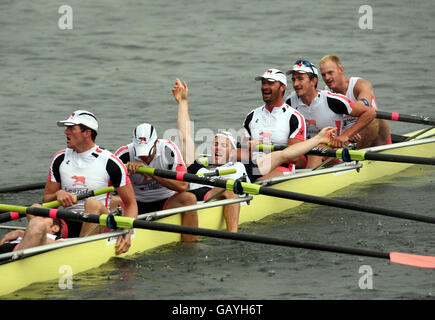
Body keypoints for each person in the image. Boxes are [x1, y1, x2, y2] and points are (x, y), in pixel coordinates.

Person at [172, 78, 336, 232]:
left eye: (223, 145)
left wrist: (317, 139)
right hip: (193, 200)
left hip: (218, 196)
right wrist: (183, 102)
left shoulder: (246, 167)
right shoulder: (196, 166)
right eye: (215, 144)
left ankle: (233, 235)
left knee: (228, 187)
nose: (217, 148)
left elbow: (286, 154)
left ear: (232, 153)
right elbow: (185, 137)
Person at [43, 110, 138, 255]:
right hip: (67, 222)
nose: (65, 132)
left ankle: (75, 252)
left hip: (99, 223)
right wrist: (58, 194)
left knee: (91, 203)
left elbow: (131, 204)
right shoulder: (59, 159)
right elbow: (46, 200)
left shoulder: (110, 162)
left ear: (87, 133)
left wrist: (127, 233)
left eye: (71, 128)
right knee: (36, 207)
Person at [114, 123, 198, 242]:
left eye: (147, 152)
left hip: (166, 202)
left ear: (156, 143)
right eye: (140, 152)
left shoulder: (168, 150)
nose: (144, 157)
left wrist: (151, 173)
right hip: (135, 204)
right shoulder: (124, 154)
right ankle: (106, 242)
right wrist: (124, 174)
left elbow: (183, 186)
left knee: (189, 199)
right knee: (113, 202)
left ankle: (190, 246)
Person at [285, 59, 376, 168]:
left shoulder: (332, 100)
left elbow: (370, 112)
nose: (295, 84)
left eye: (300, 79)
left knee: (316, 150)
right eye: (293, 79)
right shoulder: (290, 100)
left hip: (334, 152)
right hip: (306, 150)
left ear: (313, 81)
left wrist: (345, 136)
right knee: (288, 151)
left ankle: (307, 181)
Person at [242, 68, 307, 178]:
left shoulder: (294, 117)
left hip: (282, 168)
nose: (264, 87)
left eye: (270, 83)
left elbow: (294, 157)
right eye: (263, 83)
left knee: (253, 180)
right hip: (255, 167)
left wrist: (263, 147)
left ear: (282, 87)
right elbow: (244, 154)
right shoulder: (251, 116)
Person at [319, 54, 391, 148]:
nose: (327, 78)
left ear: (341, 70)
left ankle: (356, 156)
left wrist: (349, 132)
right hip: (346, 138)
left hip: (373, 135)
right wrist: (345, 133)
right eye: (323, 75)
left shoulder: (360, 85)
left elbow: (364, 108)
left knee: (375, 119)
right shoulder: (325, 93)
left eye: (330, 73)